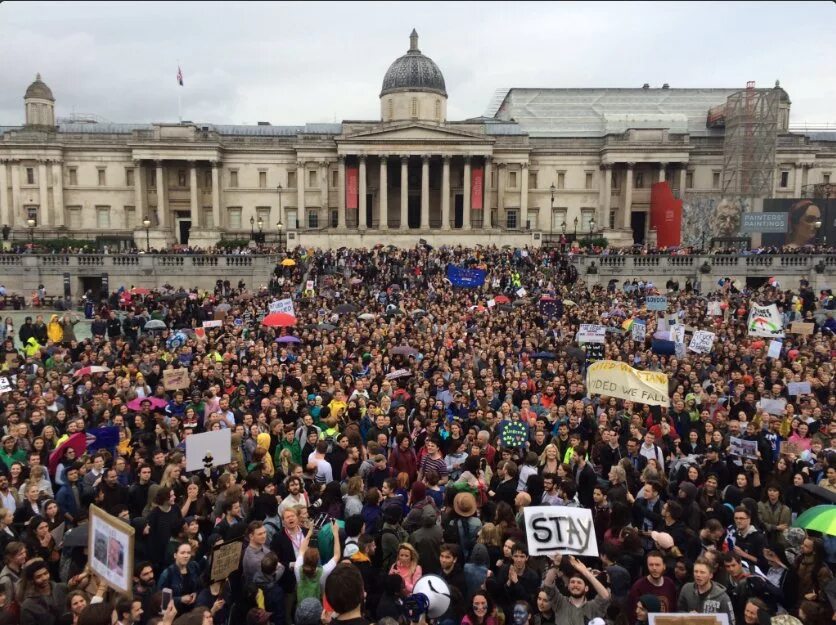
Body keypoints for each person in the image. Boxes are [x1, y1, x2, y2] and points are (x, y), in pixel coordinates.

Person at [546, 555, 610, 625]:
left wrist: (585, 572)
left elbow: (605, 597)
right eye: (572, 582)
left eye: (579, 583)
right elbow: (548, 585)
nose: (575, 585)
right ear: (568, 587)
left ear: (586, 588)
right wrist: (556, 565)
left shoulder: (593, 607)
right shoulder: (560, 602)